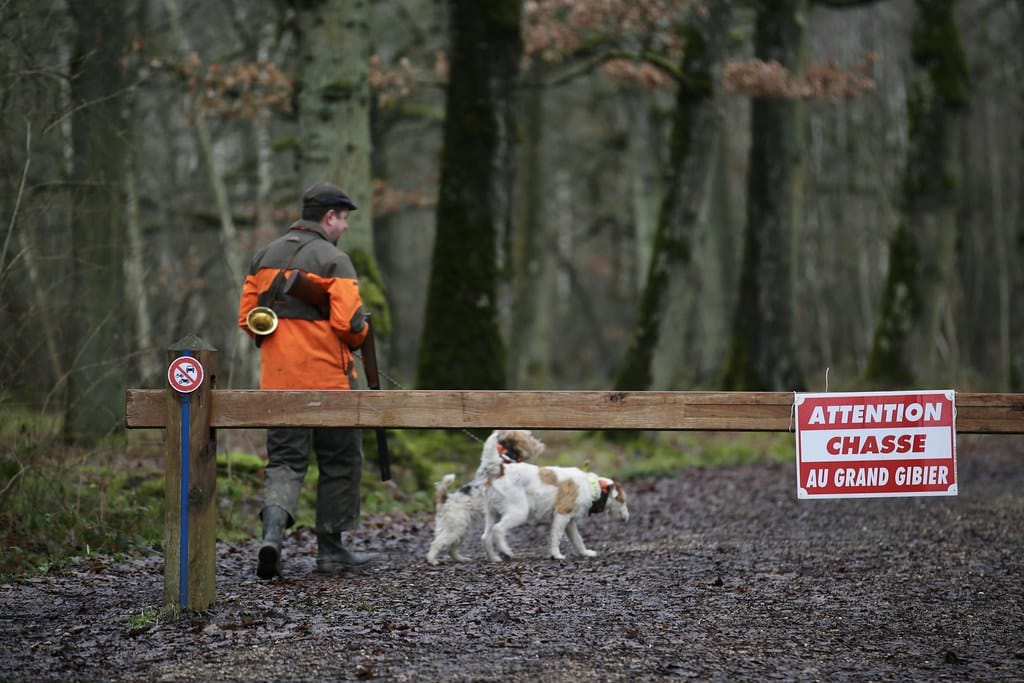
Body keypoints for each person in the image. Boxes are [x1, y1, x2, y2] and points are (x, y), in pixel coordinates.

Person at [238, 181, 374, 579]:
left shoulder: (263, 257)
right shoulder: (335, 260)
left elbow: (248, 320)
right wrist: (364, 332)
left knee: (285, 461)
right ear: (329, 217)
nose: (345, 227)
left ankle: (272, 538)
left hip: (279, 385)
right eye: (344, 219)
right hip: (331, 384)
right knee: (340, 460)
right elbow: (349, 326)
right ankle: (331, 550)